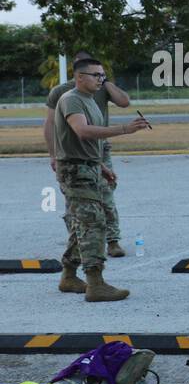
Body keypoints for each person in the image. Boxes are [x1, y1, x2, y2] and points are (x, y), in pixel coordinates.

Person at [51, 57, 150, 301]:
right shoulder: (72, 99)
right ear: (80, 77)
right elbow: (83, 132)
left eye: (102, 76)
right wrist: (125, 129)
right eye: (96, 75)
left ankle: (69, 275)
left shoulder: (89, 100)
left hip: (88, 167)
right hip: (75, 171)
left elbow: (86, 140)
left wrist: (99, 165)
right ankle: (95, 284)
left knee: (81, 223)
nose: (101, 80)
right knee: (93, 223)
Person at [44, 50, 131, 258]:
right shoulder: (64, 94)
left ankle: (112, 240)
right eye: (94, 73)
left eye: (100, 73)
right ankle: (80, 247)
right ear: (77, 73)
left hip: (97, 151)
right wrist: (53, 155)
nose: (98, 77)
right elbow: (51, 125)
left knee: (105, 195)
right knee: (78, 204)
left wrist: (104, 81)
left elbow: (124, 101)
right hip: (74, 155)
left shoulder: (98, 90)